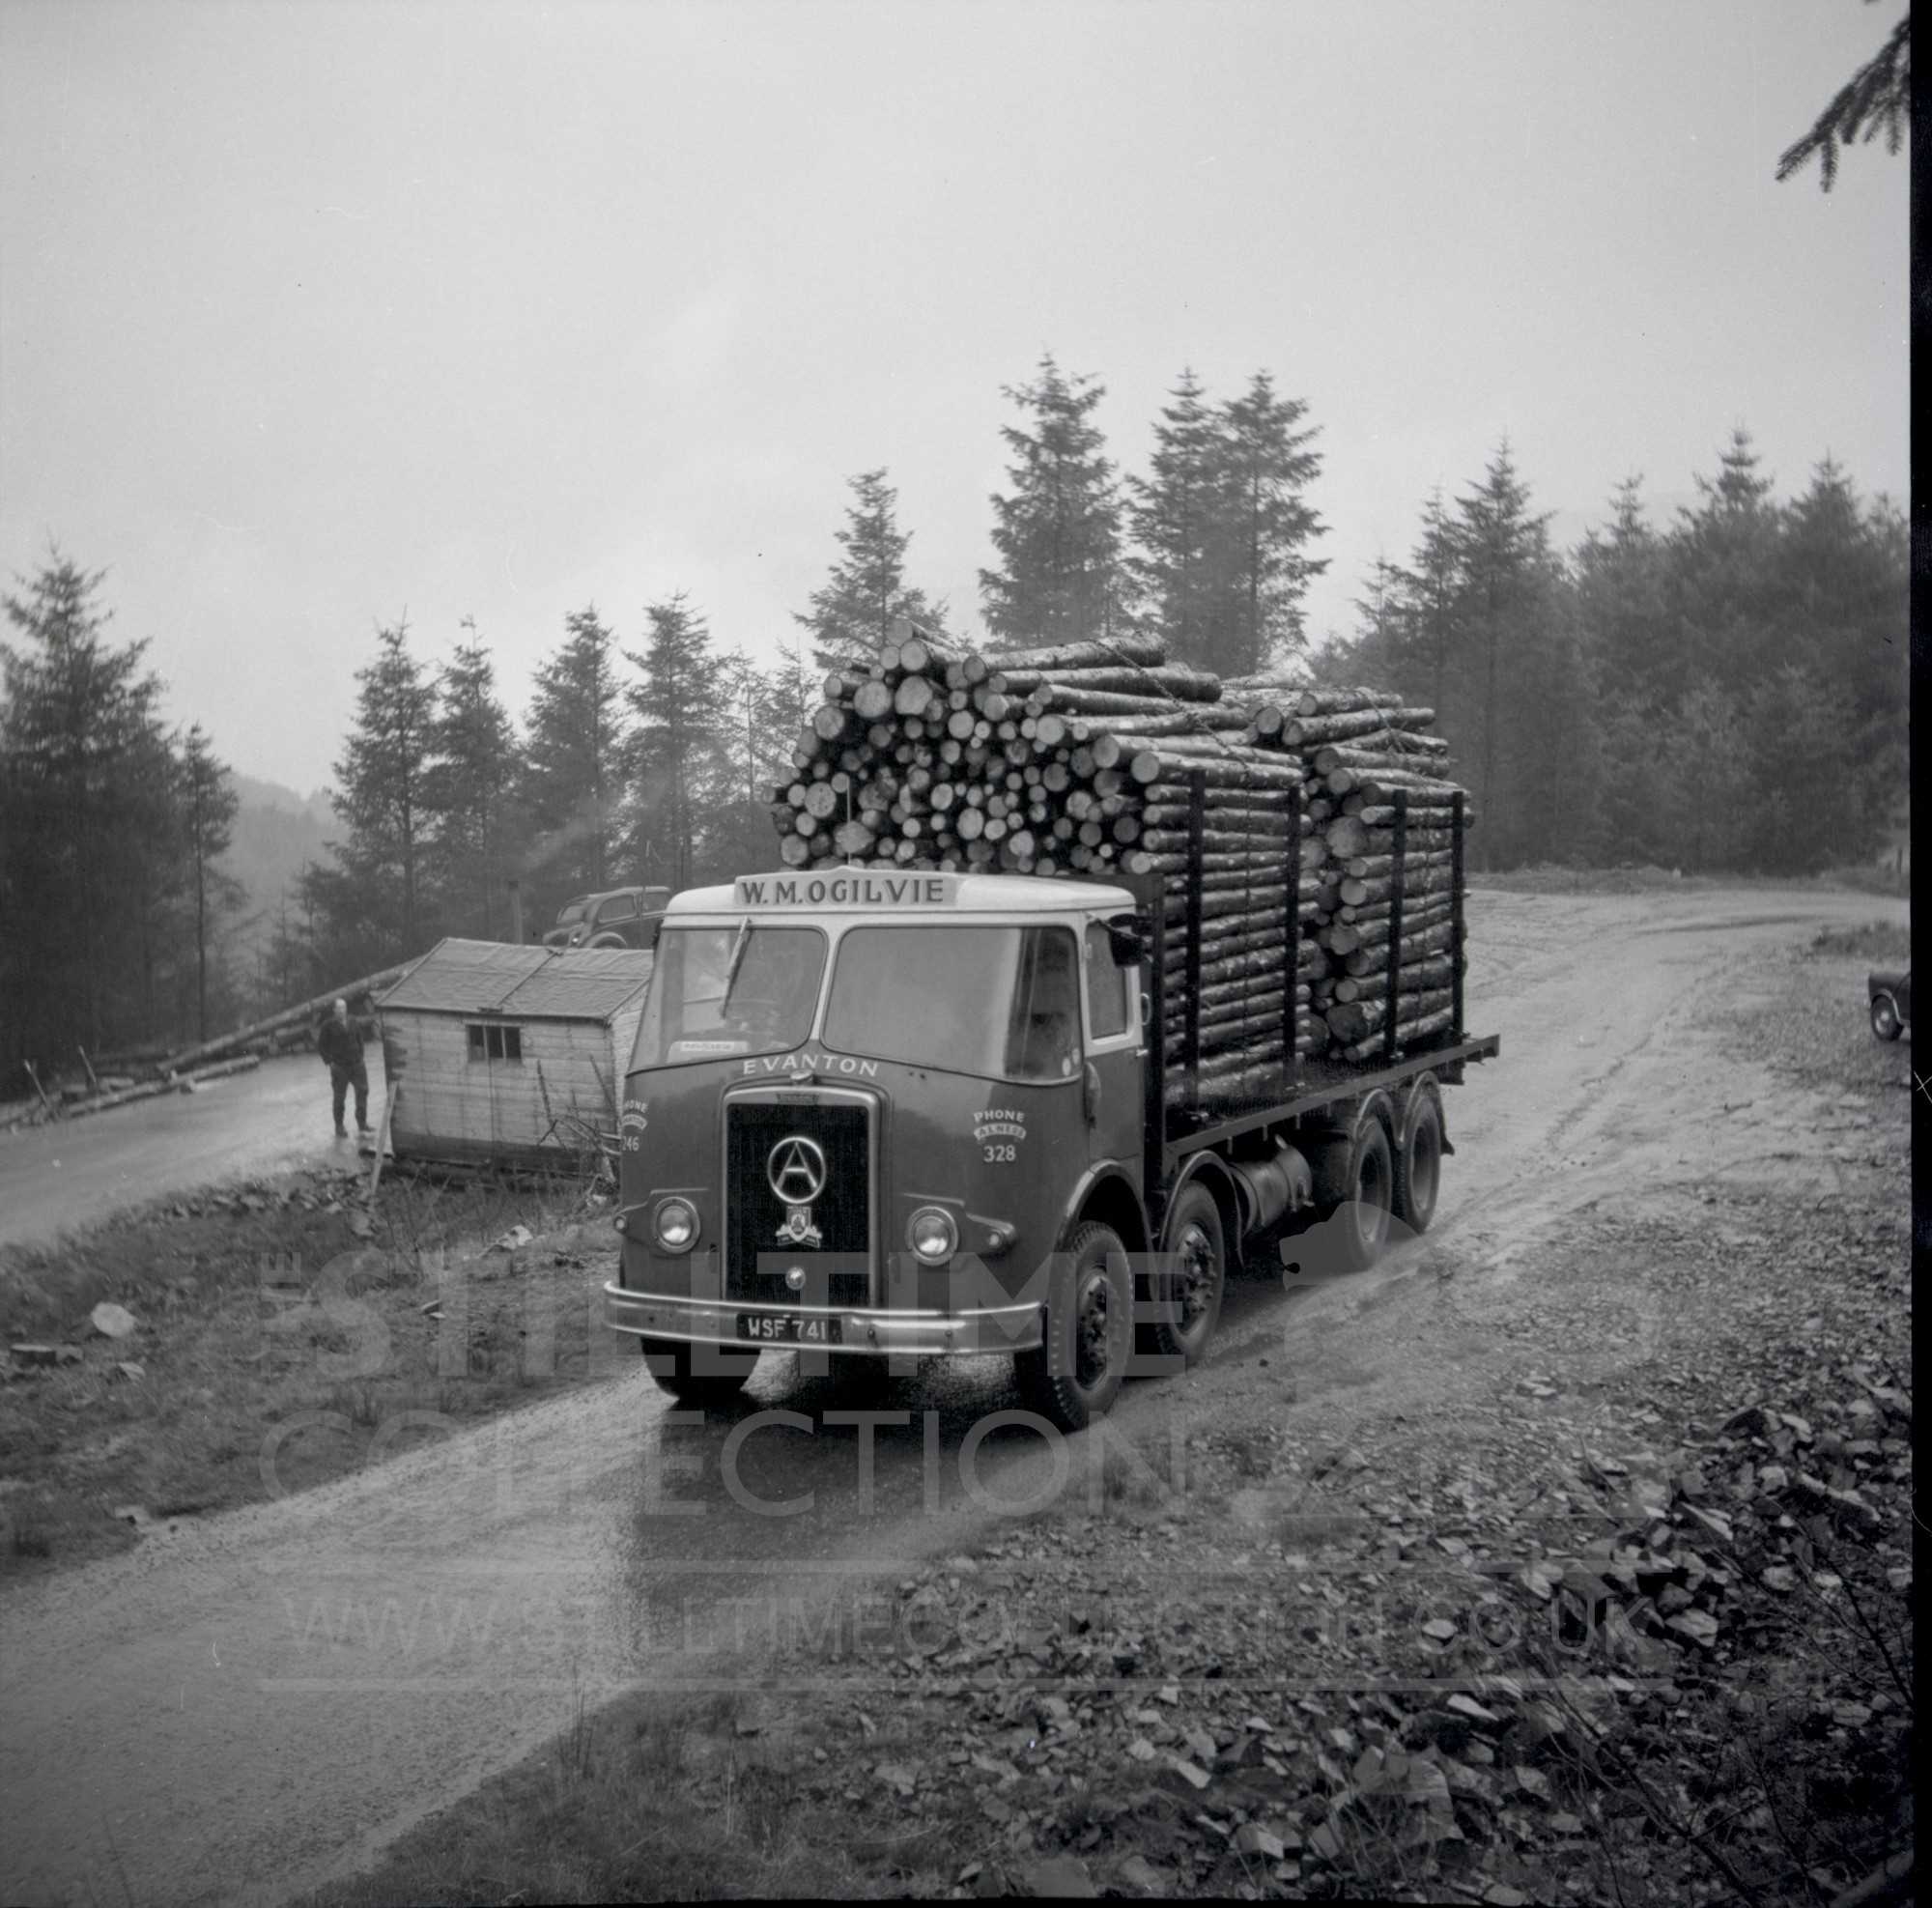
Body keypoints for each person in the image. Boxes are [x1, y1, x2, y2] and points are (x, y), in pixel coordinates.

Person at [317, 997, 371, 1138]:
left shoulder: (353, 1021)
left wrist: (361, 1056)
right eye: (339, 1008)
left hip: (357, 1064)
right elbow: (321, 1046)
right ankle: (339, 1126)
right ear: (334, 1010)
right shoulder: (328, 1025)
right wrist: (330, 1062)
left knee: (363, 1091)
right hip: (340, 1067)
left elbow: (360, 1038)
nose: (342, 1010)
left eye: (344, 1007)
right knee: (339, 1097)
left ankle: (362, 1123)